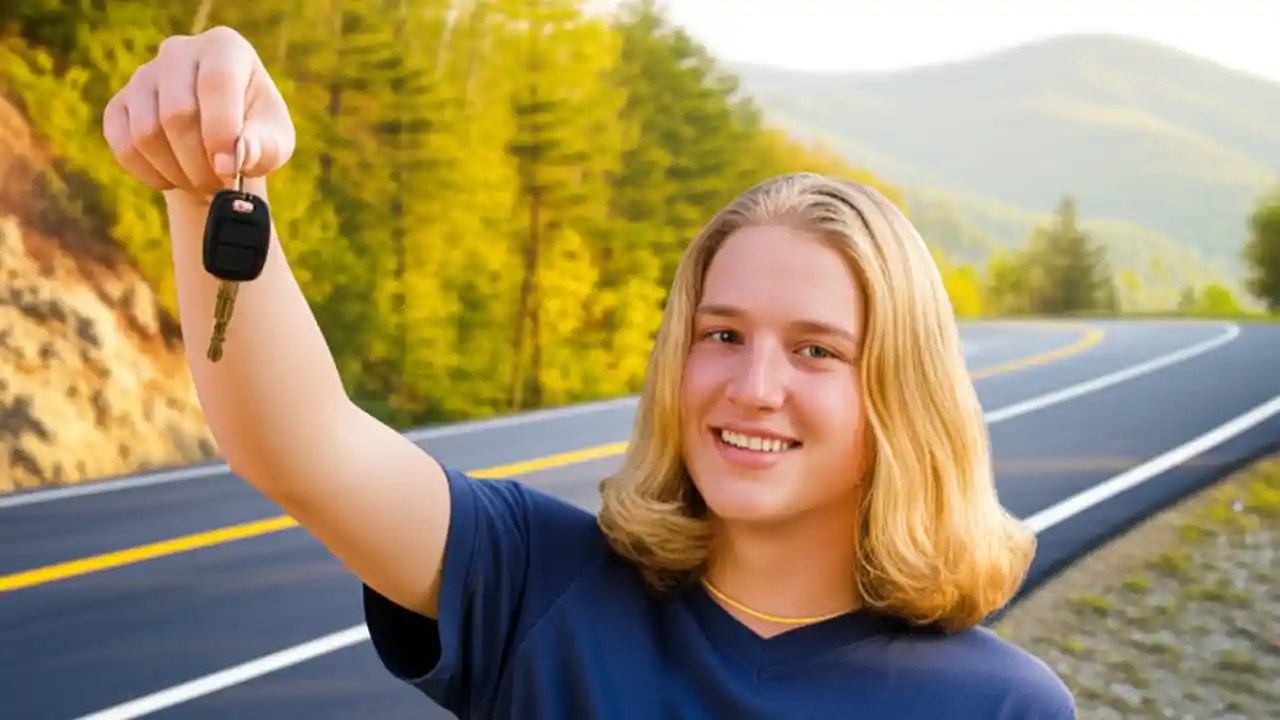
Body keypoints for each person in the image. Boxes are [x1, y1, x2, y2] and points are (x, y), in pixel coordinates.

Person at [103, 26, 1075, 720]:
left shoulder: (998, 706)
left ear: (898, 392)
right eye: (720, 333)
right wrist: (211, 176)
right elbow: (299, 444)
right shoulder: (539, 580)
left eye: (814, 349)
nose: (751, 385)